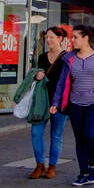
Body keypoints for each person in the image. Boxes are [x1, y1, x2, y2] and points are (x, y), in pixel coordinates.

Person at [50, 24, 94, 185]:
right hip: (75, 104)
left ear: (86, 38)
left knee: (89, 135)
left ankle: (92, 165)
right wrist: (56, 102)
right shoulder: (69, 59)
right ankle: (83, 172)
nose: (72, 40)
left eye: (75, 37)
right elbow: (61, 84)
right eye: (72, 37)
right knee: (79, 139)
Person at [27, 25, 68, 179]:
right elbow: (35, 73)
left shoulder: (67, 58)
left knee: (56, 135)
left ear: (60, 39)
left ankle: (52, 166)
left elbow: (68, 82)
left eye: (51, 37)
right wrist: (36, 74)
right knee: (36, 132)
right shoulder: (42, 57)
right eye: (47, 37)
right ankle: (39, 165)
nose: (48, 40)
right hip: (41, 102)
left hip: (58, 103)